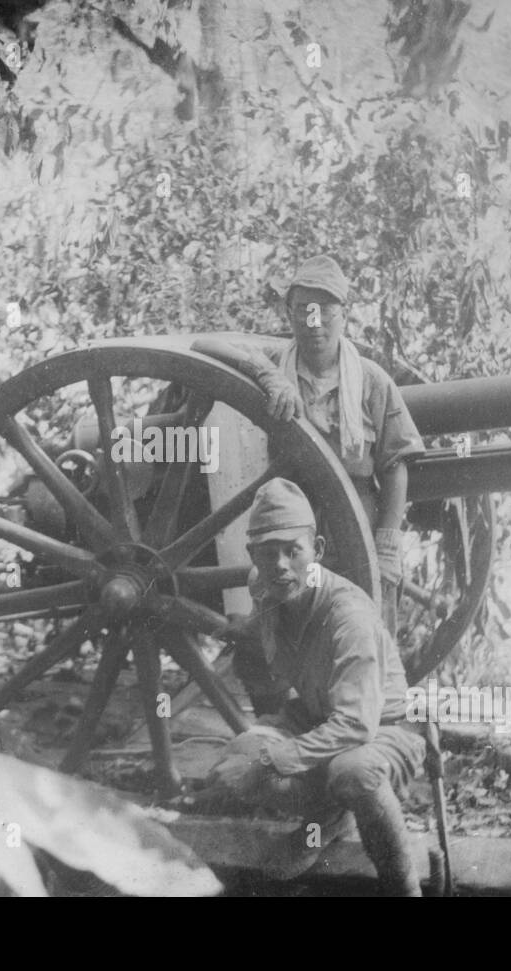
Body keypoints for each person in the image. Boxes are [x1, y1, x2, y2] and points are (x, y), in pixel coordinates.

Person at [209, 477, 426, 896]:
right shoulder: (265, 588)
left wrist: (270, 761)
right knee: (233, 761)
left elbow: (355, 727)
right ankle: (330, 816)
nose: (282, 565)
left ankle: (405, 888)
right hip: (316, 716)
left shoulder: (349, 618)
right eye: (268, 553)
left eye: (294, 550)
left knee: (351, 772)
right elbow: (265, 643)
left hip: (385, 729)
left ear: (318, 551)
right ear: (253, 554)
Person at [191, 254, 424, 634]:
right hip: (289, 530)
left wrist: (386, 542)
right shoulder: (275, 364)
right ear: (289, 313)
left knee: (367, 638)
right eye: (304, 310)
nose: (314, 322)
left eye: (326, 311)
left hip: (354, 526)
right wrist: (267, 375)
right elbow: (204, 344)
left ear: (344, 315)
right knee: (290, 643)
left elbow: (395, 465)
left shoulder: (370, 381)